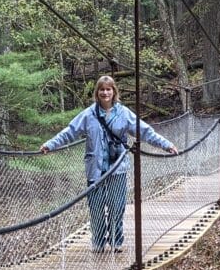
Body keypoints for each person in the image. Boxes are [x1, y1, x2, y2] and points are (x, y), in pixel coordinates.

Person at [40, 75, 178, 253]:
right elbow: (70, 132)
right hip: (95, 170)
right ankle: (98, 243)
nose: (105, 93)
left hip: (117, 168)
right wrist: (50, 145)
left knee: (116, 208)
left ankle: (115, 241)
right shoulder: (88, 114)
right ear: (97, 93)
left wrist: (166, 145)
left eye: (108, 89)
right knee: (96, 209)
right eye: (102, 89)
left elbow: (145, 131)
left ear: (114, 92)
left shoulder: (123, 113)